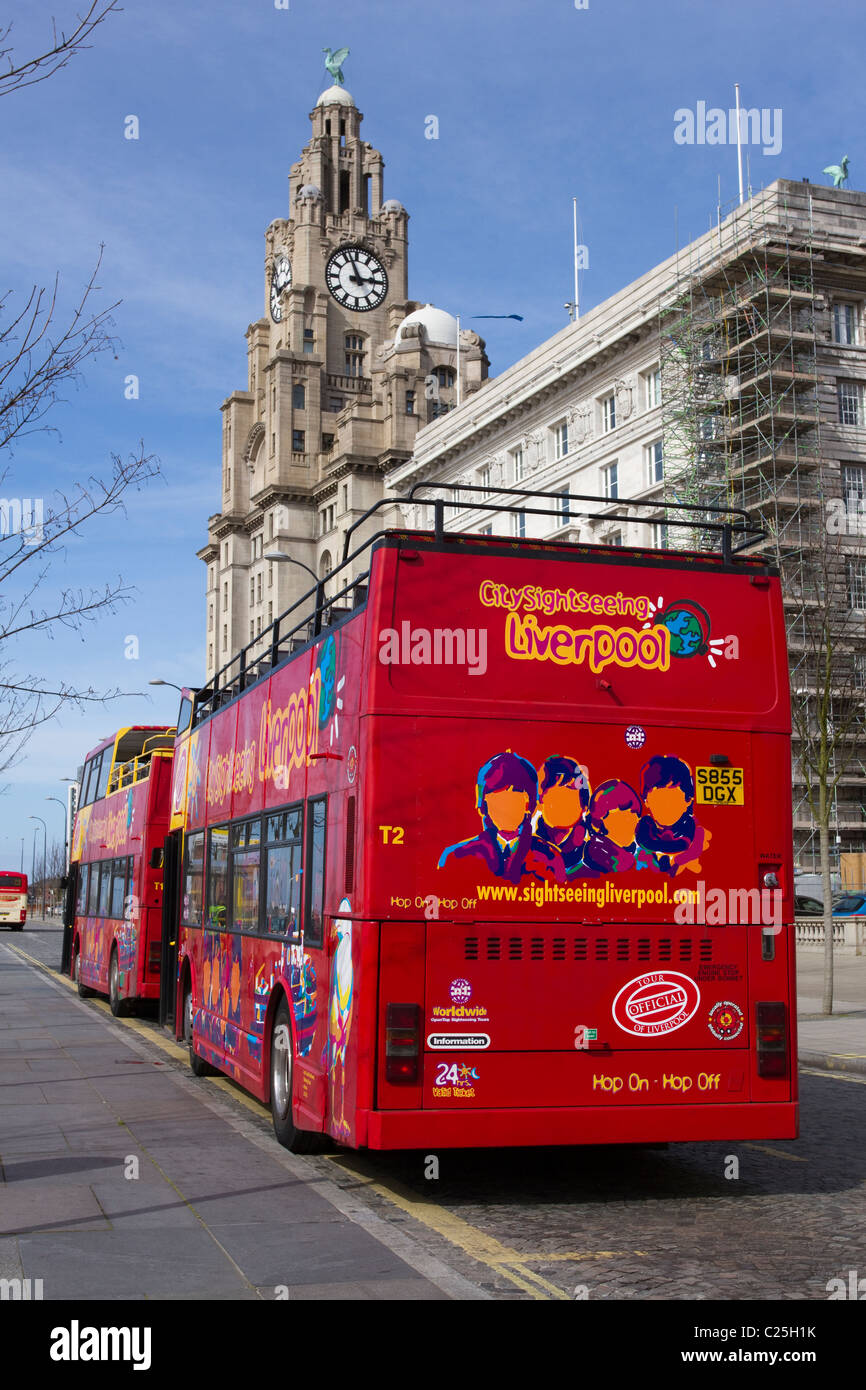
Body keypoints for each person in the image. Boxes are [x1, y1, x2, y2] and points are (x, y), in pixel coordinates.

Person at [438, 750, 566, 884]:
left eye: (516, 797)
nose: (507, 806)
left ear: (528, 804)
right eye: (498, 797)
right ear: (485, 802)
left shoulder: (550, 858)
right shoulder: (458, 856)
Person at [635, 754, 710, 875]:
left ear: (688, 801)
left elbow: (683, 844)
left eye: (673, 800)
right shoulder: (643, 828)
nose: (666, 807)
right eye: (658, 800)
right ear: (646, 801)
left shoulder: (693, 829)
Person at [582, 780, 654, 874]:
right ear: (599, 824)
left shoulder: (641, 852)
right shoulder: (594, 857)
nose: (631, 825)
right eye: (621, 820)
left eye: (634, 818)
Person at [534, 755, 591, 876]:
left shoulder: (591, 852)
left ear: (583, 805)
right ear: (541, 801)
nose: (561, 806)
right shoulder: (527, 846)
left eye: (569, 796)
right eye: (555, 799)